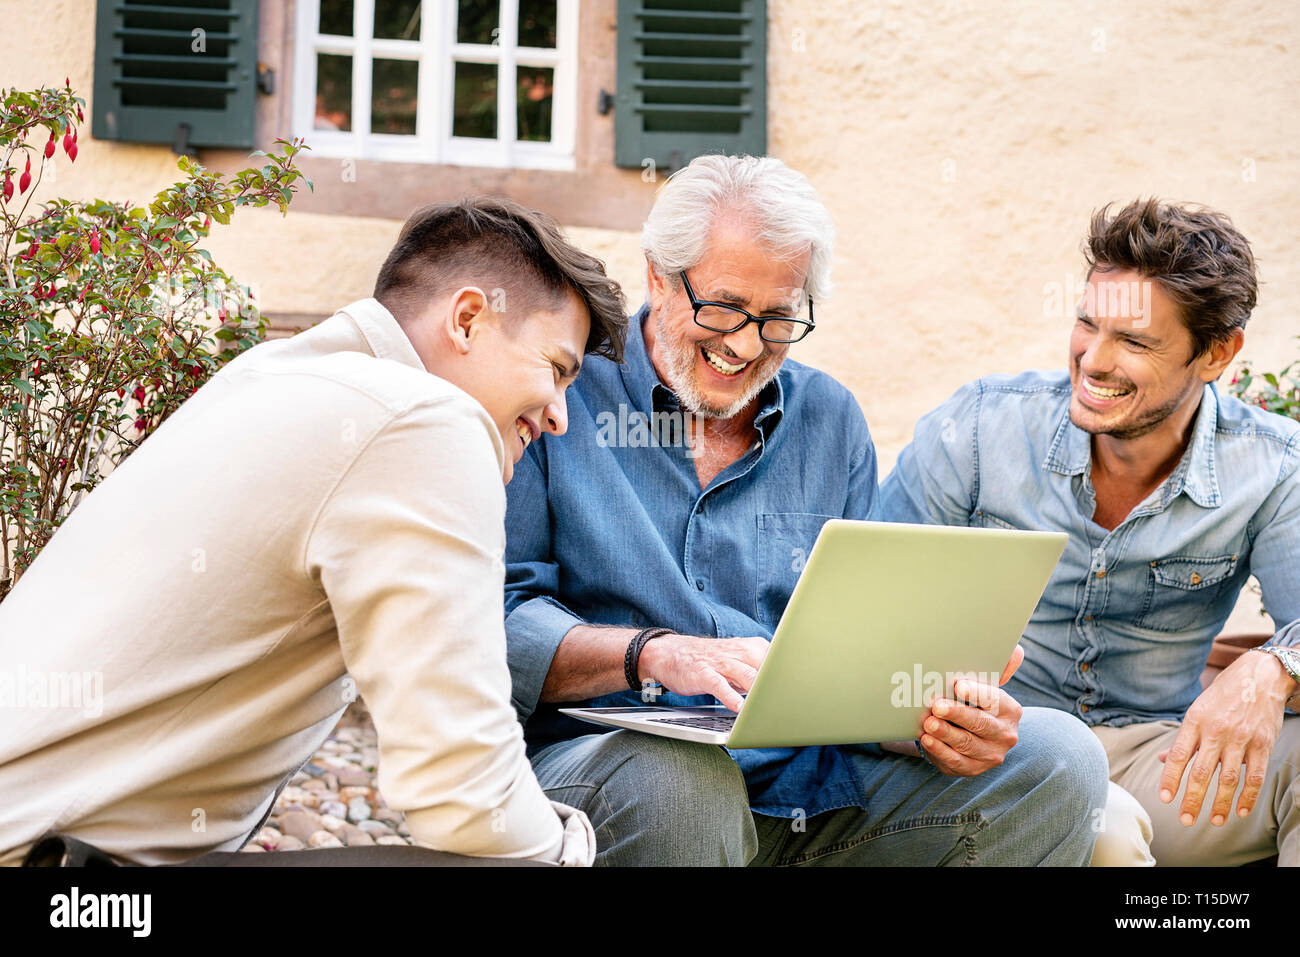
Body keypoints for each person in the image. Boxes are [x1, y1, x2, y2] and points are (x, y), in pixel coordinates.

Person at [501, 154, 1110, 866]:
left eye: (779, 318)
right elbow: (498, 620)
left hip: (804, 795)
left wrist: (931, 720)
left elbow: (851, 660)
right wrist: (654, 654)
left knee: (1063, 758)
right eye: (723, 307)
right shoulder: (560, 394)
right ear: (657, 278)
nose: (745, 344)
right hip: (612, 777)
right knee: (684, 784)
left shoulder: (831, 420)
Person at [0, 198, 627, 867]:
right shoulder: (422, 419)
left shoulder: (273, 378)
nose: (560, 415)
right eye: (556, 369)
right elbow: (465, 788)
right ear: (469, 318)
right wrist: (567, 853)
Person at [877, 199, 1300, 866]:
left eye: (1133, 341)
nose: (1093, 361)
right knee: (1097, 825)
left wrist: (1273, 667)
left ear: (1217, 353)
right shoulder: (980, 429)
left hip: (1167, 759)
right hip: (1006, 757)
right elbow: (869, 604)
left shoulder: (1273, 466)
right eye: (1086, 324)